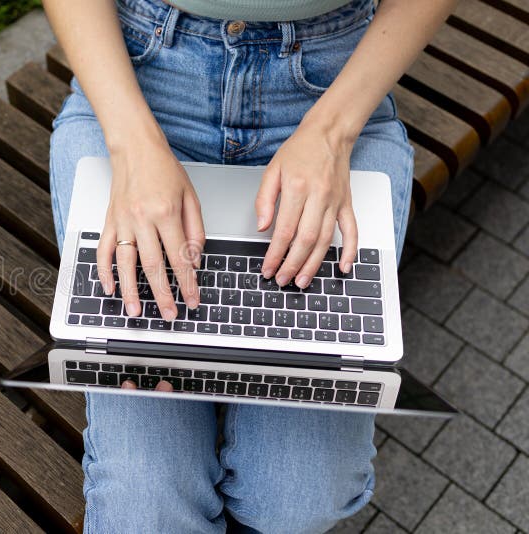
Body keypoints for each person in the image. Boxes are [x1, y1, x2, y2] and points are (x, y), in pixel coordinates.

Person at [44, 0, 455, 531]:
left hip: (333, 88)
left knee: (296, 501)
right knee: (143, 509)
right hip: (139, 83)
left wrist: (333, 134)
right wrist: (132, 150)